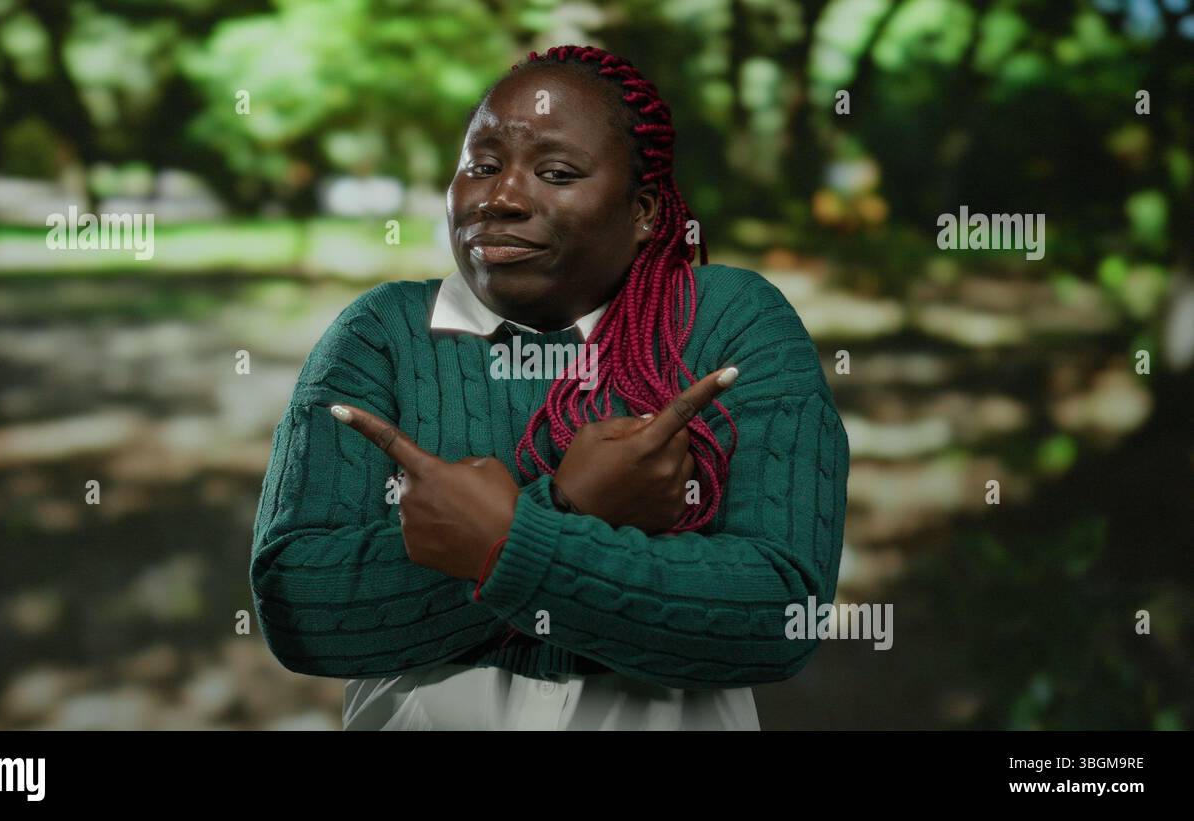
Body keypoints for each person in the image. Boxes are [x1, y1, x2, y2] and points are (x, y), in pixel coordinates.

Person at [249, 44, 850, 730]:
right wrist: (567, 507)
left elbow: (778, 615)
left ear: (646, 211)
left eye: (556, 172)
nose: (501, 197)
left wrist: (497, 545)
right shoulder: (381, 334)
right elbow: (299, 608)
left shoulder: (729, 321)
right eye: (482, 165)